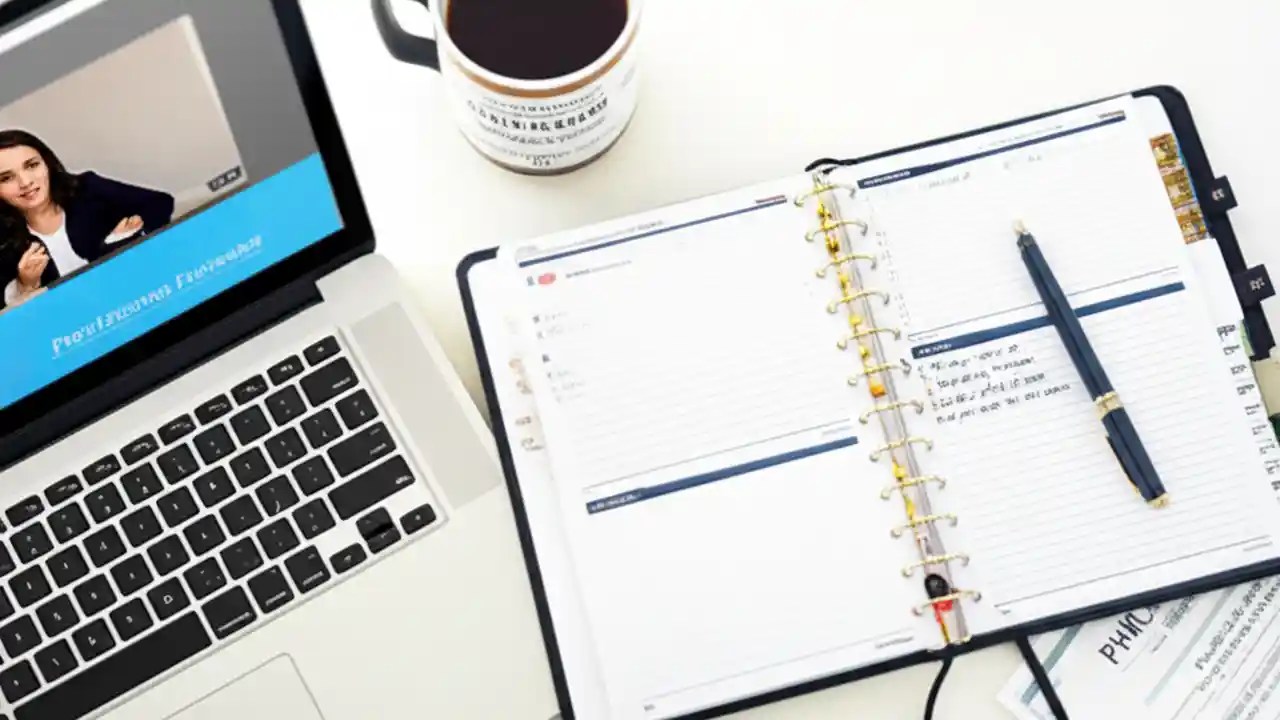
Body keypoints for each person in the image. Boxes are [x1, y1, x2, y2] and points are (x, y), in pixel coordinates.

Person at [0, 129, 175, 308]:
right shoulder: (3, 241)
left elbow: (160, 203)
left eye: (32, 165)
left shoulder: (87, 189)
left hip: (138, 300)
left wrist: (123, 240)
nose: (25, 182)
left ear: (47, 163)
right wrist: (23, 286)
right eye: (6, 178)